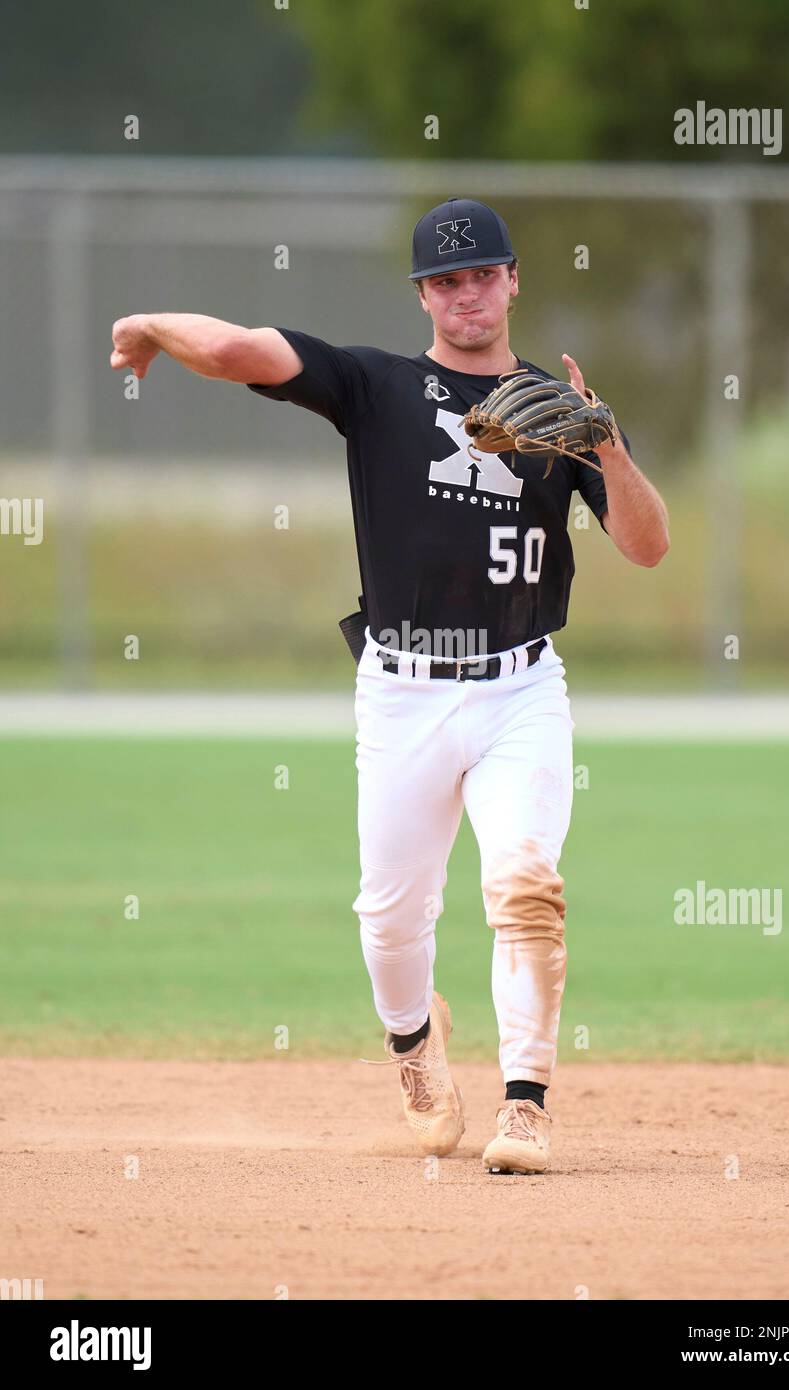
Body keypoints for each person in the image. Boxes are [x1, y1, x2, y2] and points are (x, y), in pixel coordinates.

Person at [110, 196, 669, 1174]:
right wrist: (155, 325)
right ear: (422, 296)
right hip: (402, 690)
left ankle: (526, 1106)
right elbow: (246, 348)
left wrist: (606, 447)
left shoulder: (557, 413)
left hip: (518, 689)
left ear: (512, 280)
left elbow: (648, 546)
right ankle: (414, 1042)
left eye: (481, 274)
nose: (466, 295)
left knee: (525, 887)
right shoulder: (374, 387)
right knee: (389, 918)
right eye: (445, 281)